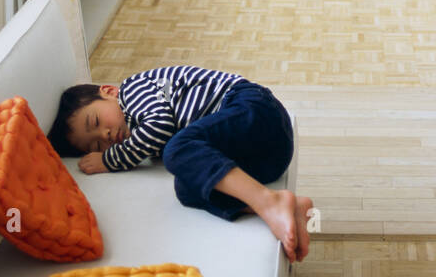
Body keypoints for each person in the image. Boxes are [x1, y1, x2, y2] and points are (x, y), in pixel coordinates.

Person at [47, 64, 312, 263]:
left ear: (108, 91)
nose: (104, 136)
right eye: (96, 145)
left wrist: (109, 159)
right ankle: (282, 206)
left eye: (95, 122)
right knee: (186, 188)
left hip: (251, 107)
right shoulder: (143, 132)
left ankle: (268, 201)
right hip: (267, 157)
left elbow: (160, 126)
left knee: (177, 150)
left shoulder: (133, 90)